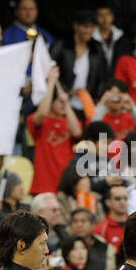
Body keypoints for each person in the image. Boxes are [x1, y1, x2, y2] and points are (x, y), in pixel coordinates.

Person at [27, 66, 82, 195]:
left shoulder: (70, 120)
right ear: (51, 102)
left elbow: (77, 132)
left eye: (65, 101)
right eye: (59, 101)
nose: (63, 104)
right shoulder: (38, 121)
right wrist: (51, 83)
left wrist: (66, 103)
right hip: (43, 183)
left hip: (65, 183)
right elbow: (41, 114)